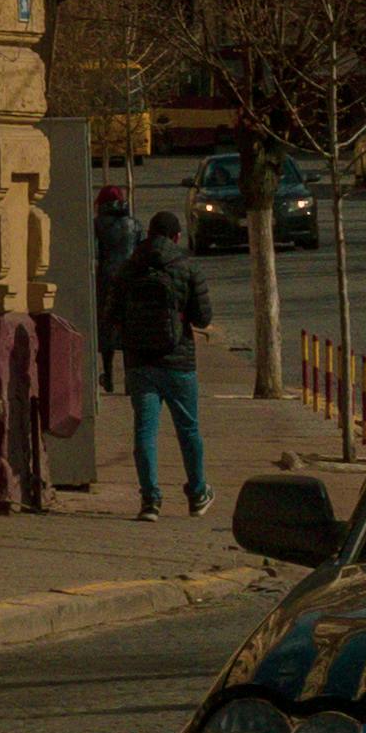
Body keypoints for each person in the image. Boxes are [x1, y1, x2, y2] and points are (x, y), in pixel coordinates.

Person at [114, 204, 213, 519]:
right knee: (188, 429)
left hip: (140, 363)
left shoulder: (129, 268)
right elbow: (204, 316)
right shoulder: (186, 268)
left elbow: (110, 316)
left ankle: (150, 501)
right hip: (179, 361)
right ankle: (198, 494)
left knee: (145, 431)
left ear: (149, 234)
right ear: (177, 236)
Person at [93, 175, 140, 404]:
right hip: (130, 280)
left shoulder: (97, 224)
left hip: (106, 279)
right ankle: (130, 381)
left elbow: (94, 254)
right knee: (129, 328)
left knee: (107, 327)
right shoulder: (134, 224)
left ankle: (109, 376)